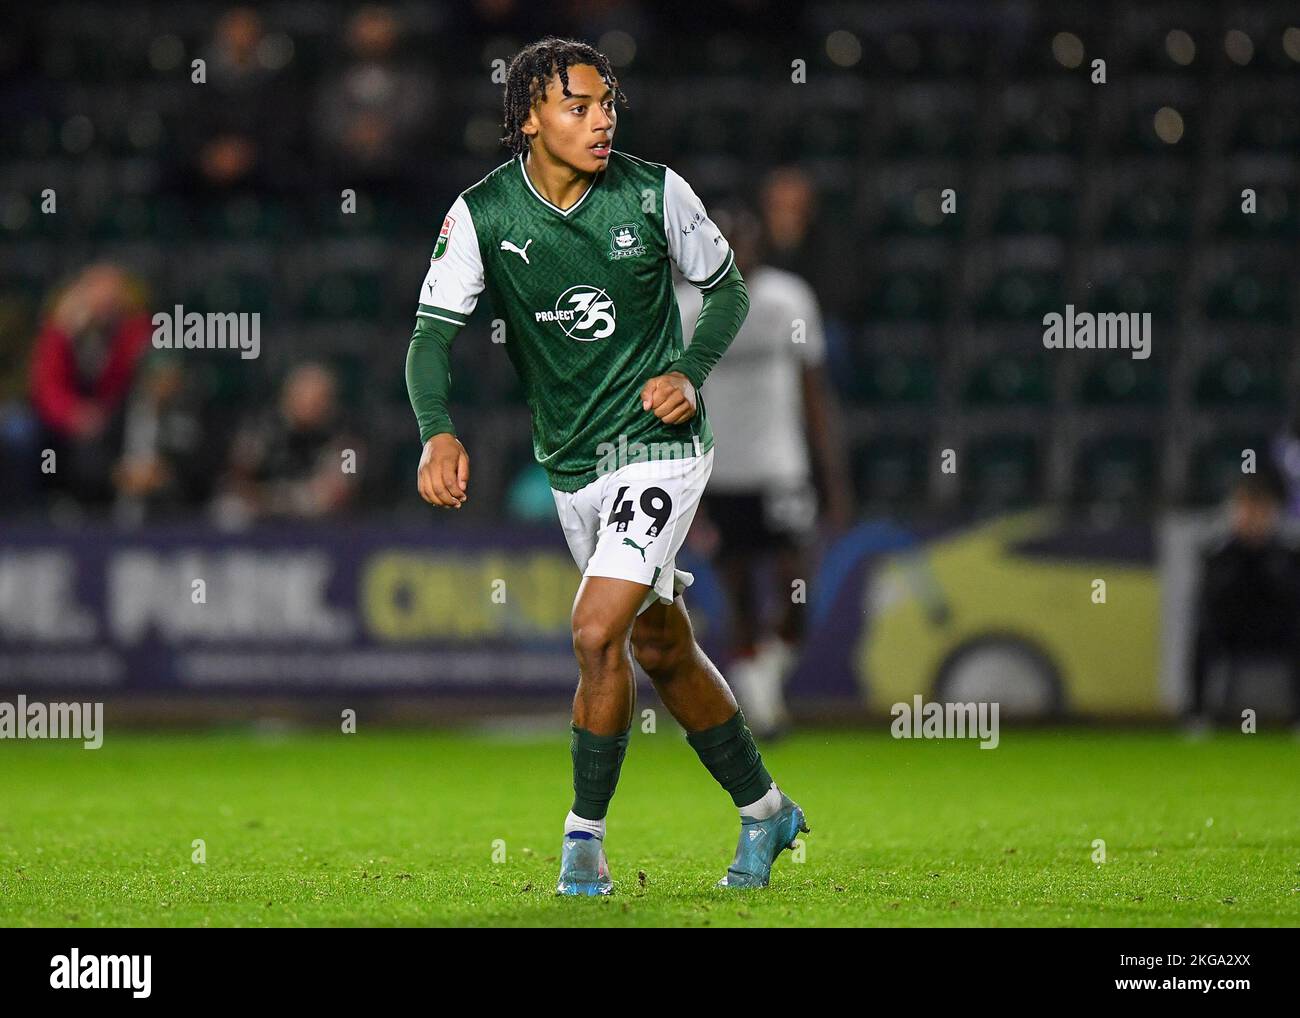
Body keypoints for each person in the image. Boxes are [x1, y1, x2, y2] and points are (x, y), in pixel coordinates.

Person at [405, 37, 809, 895]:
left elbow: (728, 289)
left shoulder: (655, 190)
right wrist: (437, 431)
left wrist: (687, 375)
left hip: (660, 452)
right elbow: (430, 337)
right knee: (660, 645)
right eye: (577, 107)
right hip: (573, 465)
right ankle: (767, 810)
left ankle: (581, 842)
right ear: (527, 121)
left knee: (595, 633)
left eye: (607, 106)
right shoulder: (481, 216)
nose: (600, 122)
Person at [676, 204, 853, 738]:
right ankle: (759, 699)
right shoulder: (685, 309)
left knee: (796, 584)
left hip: (781, 468)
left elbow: (814, 394)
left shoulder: (787, 299)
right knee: (738, 595)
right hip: (718, 472)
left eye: (741, 240)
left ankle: (766, 677)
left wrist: (833, 480)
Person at [1188, 468, 1300, 733]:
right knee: (1203, 634)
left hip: (1276, 631)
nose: (1252, 516)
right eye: (1246, 506)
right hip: (1232, 631)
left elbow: (1291, 597)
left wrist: (1262, 554)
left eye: (1259, 508)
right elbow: (1213, 598)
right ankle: (1197, 715)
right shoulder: (1219, 554)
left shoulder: (1287, 554)